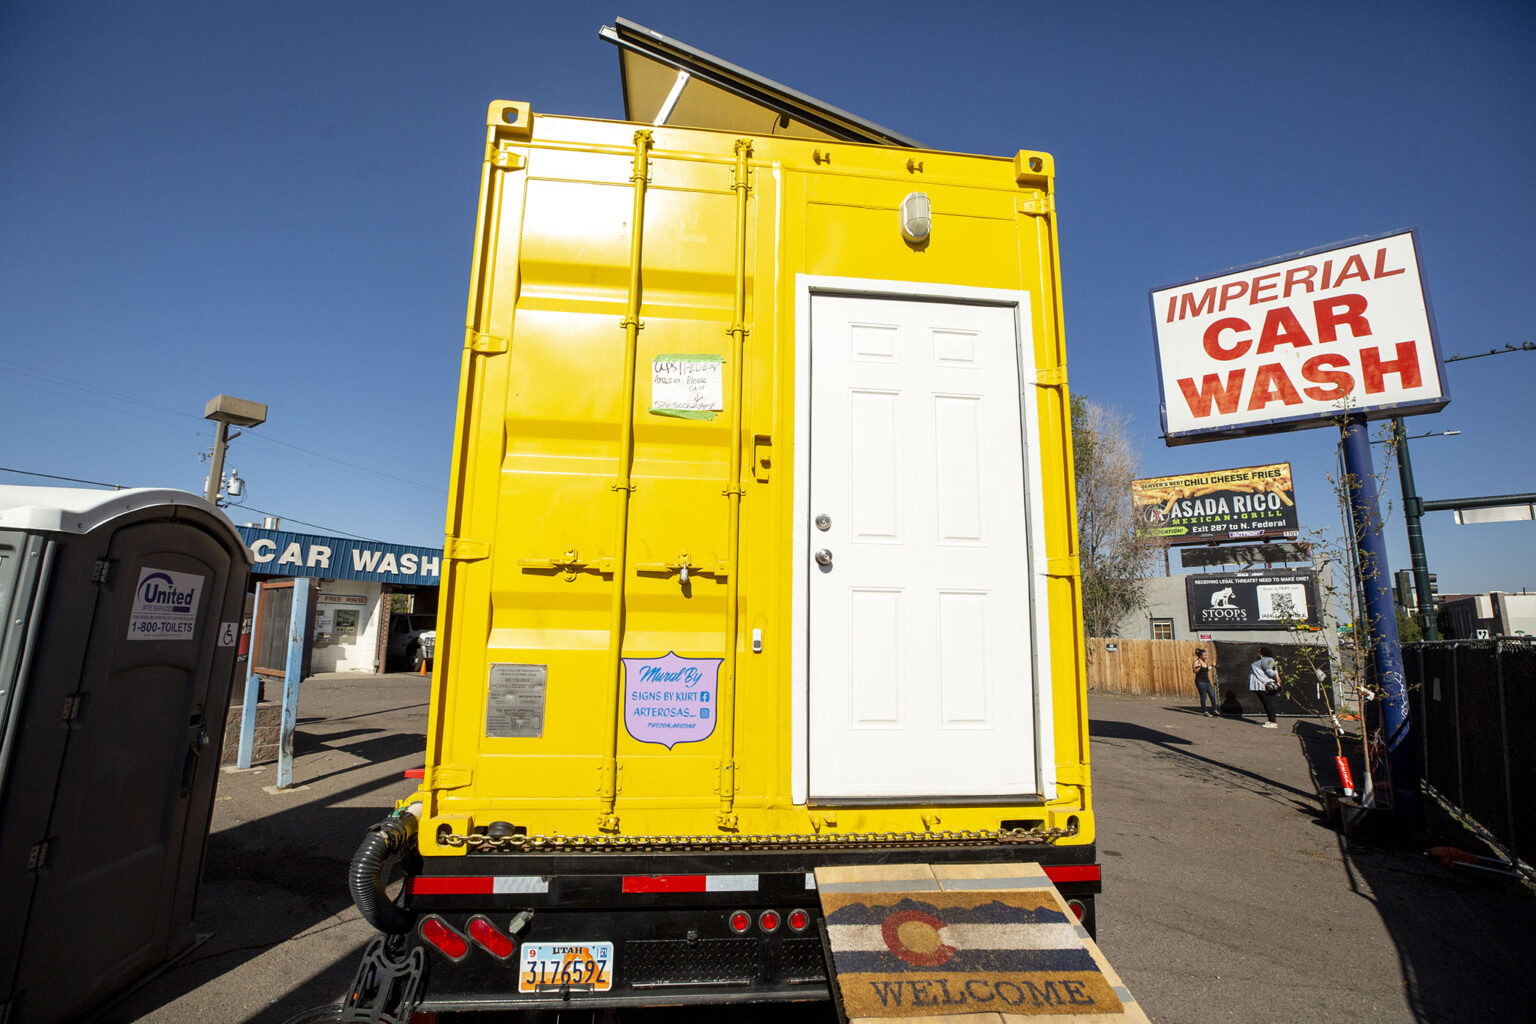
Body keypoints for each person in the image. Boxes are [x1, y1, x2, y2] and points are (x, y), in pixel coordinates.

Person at [1248, 646, 1280, 728]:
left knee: (1268, 703)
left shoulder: (1267, 660)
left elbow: (1270, 671)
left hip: (1263, 685)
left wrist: (1276, 677)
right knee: (1267, 703)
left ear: (1262, 653)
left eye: (1259, 651)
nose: (1257, 653)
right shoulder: (1268, 660)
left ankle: (1273, 722)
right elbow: (1274, 670)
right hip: (1261, 685)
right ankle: (1271, 721)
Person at [1192, 648, 1217, 716]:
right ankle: (1205, 711)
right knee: (1203, 696)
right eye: (1205, 655)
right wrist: (1198, 667)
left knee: (1212, 695)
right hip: (1200, 682)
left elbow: (1206, 669)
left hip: (1207, 681)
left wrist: (1212, 666)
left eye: (1206, 655)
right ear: (1200, 656)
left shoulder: (1205, 662)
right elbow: (1194, 671)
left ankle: (1215, 709)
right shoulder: (1197, 662)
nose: (1206, 656)